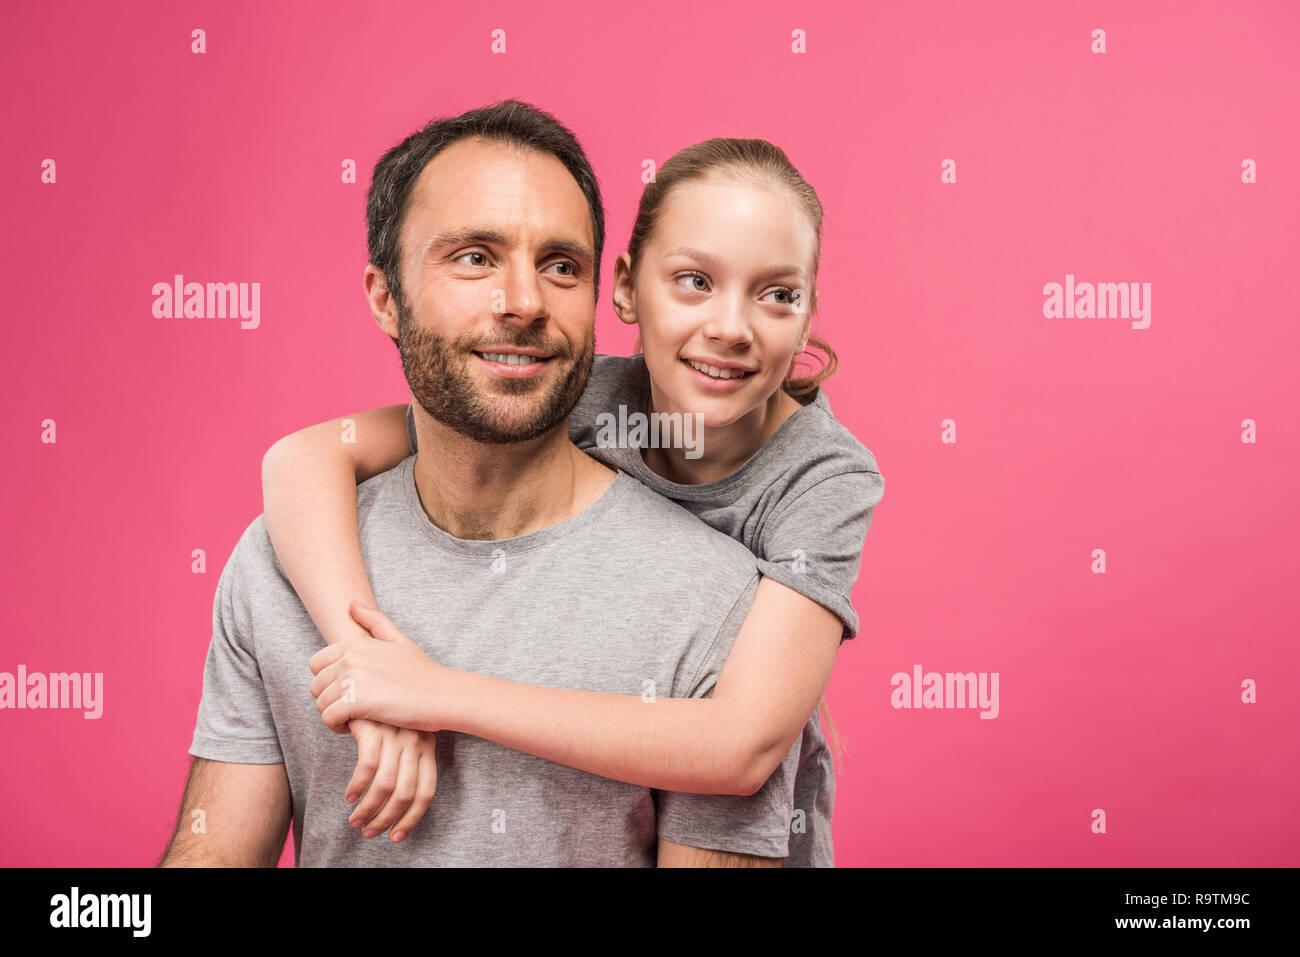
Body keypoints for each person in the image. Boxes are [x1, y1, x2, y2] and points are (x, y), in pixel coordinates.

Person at [159, 99, 801, 867]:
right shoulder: (285, 560)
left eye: (561, 266)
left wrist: (423, 693)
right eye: (474, 257)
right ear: (384, 298)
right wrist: (366, 662)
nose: (525, 303)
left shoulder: (715, 601)